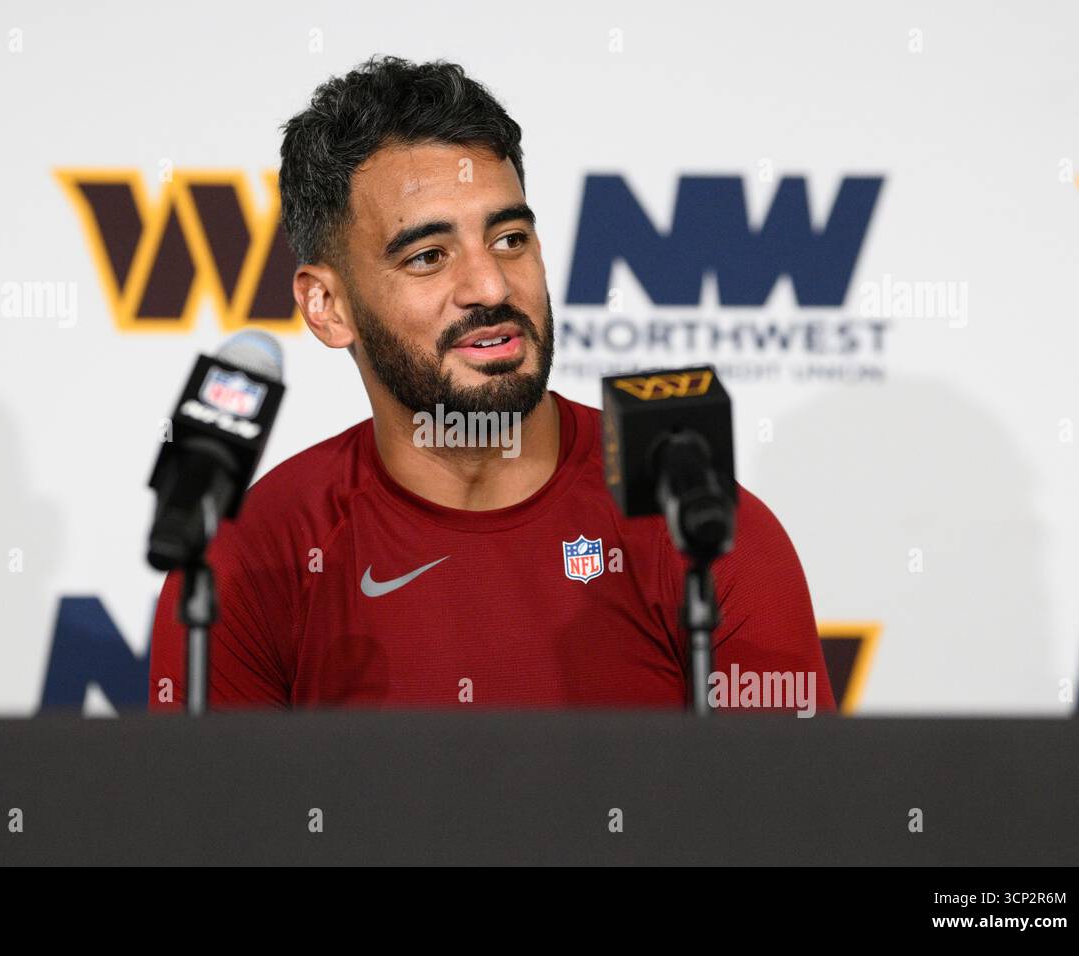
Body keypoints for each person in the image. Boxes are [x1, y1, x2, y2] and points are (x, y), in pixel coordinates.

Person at [149, 55, 835, 713]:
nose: (490, 286)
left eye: (509, 239)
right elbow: (211, 831)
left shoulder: (697, 526)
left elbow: (793, 824)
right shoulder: (251, 559)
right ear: (328, 307)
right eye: (428, 256)